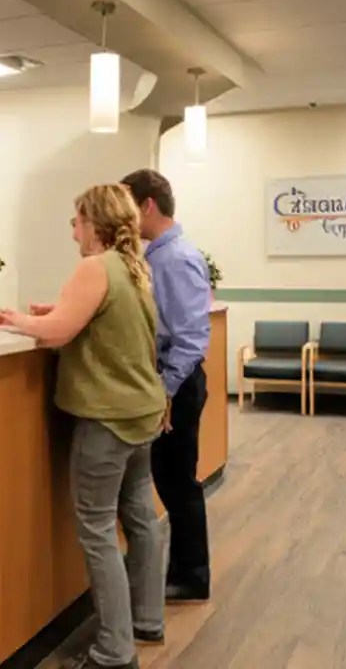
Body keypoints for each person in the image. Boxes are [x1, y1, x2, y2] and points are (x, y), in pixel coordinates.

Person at [0, 184, 165, 669]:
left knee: (96, 529)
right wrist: (56, 312)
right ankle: (147, 620)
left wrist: (16, 319)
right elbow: (104, 323)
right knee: (140, 516)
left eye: (77, 222)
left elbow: (58, 334)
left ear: (94, 223)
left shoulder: (96, 266)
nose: (73, 232)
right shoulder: (133, 267)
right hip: (142, 413)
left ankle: (115, 650)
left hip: (108, 418)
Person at [121, 168, 213, 603]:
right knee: (172, 481)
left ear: (147, 206)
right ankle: (183, 572)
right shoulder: (159, 256)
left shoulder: (174, 259)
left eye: (127, 207)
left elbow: (191, 337)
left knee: (178, 483)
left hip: (177, 384)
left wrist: (166, 391)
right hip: (169, 383)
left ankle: (192, 576)